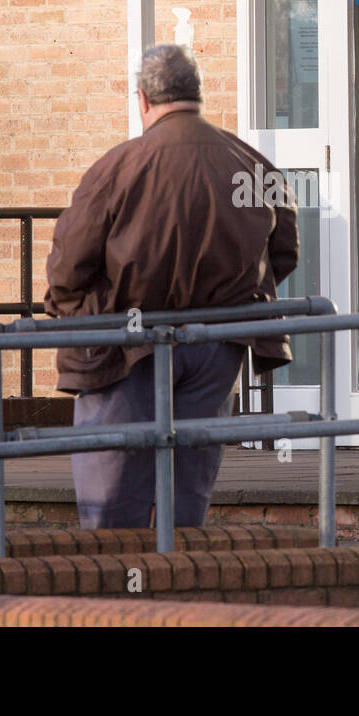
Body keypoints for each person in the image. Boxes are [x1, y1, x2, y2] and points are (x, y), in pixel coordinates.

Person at [44, 44, 299, 529]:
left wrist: (84, 317)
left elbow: (67, 267)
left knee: (112, 503)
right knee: (187, 498)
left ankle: (122, 595)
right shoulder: (252, 164)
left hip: (125, 344)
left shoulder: (117, 168)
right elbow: (282, 252)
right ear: (197, 93)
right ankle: (178, 592)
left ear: (142, 99)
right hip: (218, 343)